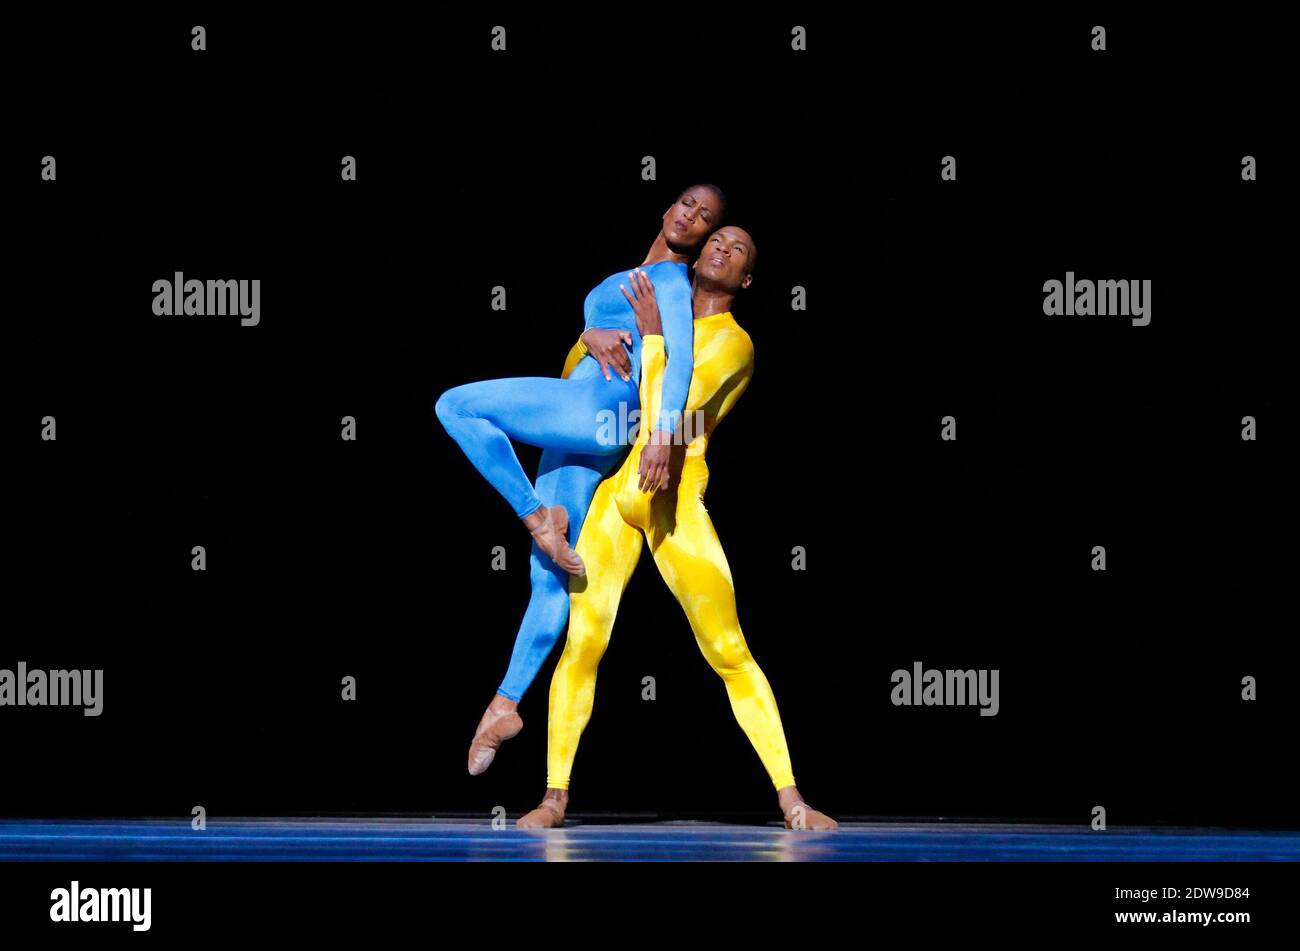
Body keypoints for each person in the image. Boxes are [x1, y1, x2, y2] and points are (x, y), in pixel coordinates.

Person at [517, 227, 838, 831]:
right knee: (583, 642)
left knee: (727, 650)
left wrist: (655, 338)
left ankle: (792, 799)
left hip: (673, 494)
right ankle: (553, 797)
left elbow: (677, 401)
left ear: (746, 279)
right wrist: (589, 337)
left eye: (738, 248)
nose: (721, 246)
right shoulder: (652, 313)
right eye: (717, 238)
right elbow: (585, 389)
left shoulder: (734, 342)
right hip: (620, 490)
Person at [434, 186, 724, 773]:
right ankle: (504, 705)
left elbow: (681, 361)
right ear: (666, 209)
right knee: (550, 575)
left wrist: (665, 434)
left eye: (707, 218)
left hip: (597, 407)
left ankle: (538, 517)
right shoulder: (635, 274)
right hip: (586, 415)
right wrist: (588, 334)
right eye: (687, 204)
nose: (693, 216)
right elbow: (605, 331)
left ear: (698, 242)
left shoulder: (668, 284)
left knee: (456, 406)